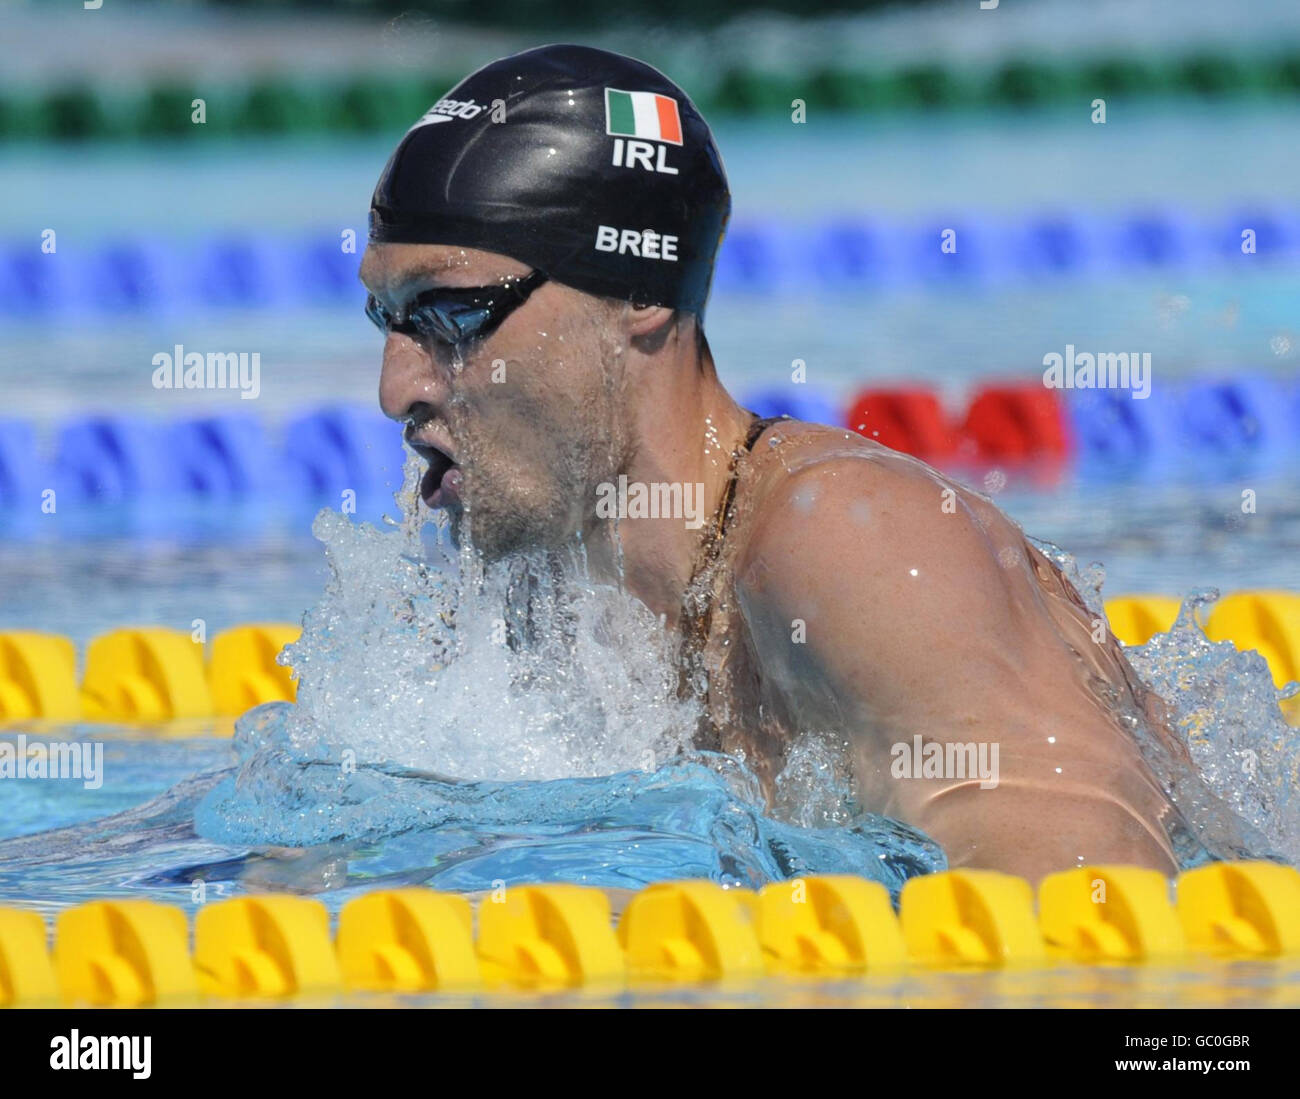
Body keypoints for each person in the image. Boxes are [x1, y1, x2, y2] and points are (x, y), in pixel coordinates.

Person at [360, 44, 1208, 883]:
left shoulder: (848, 544)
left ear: (636, 297)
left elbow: (1094, 923)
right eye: (386, 317)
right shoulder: (545, 596)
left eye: (453, 312)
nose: (396, 389)